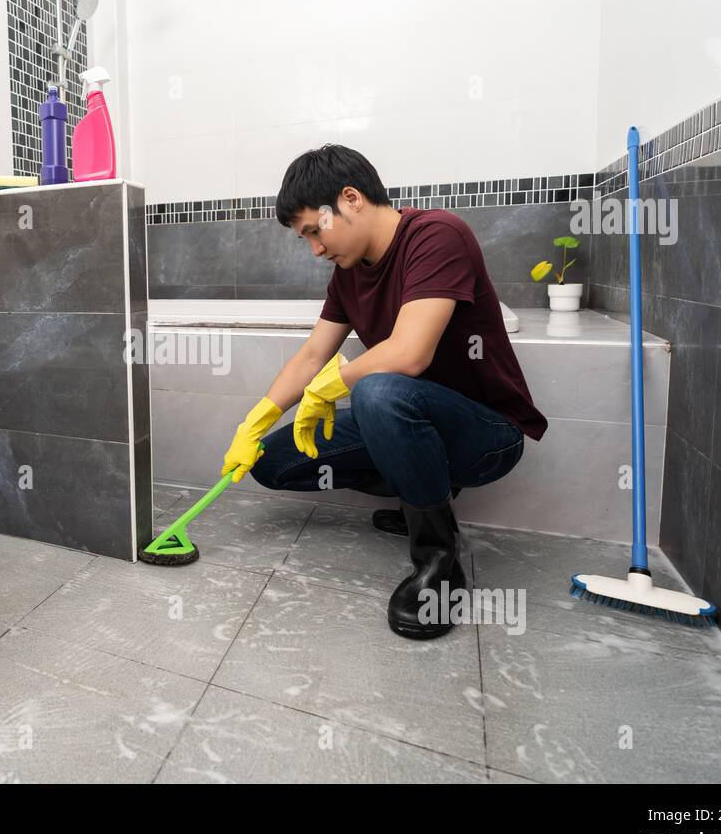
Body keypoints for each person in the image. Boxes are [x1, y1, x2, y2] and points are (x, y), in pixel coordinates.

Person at [222, 144, 547, 639]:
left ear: (350, 199)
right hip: (403, 415)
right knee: (271, 461)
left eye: (314, 231)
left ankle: (439, 563)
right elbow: (312, 355)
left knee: (376, 390)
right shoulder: (348, 274)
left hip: (485, 434)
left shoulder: (437, 235)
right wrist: (257, 420)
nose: (314, 249)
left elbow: (409, 353)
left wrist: (329, 388)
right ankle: (422, 488)